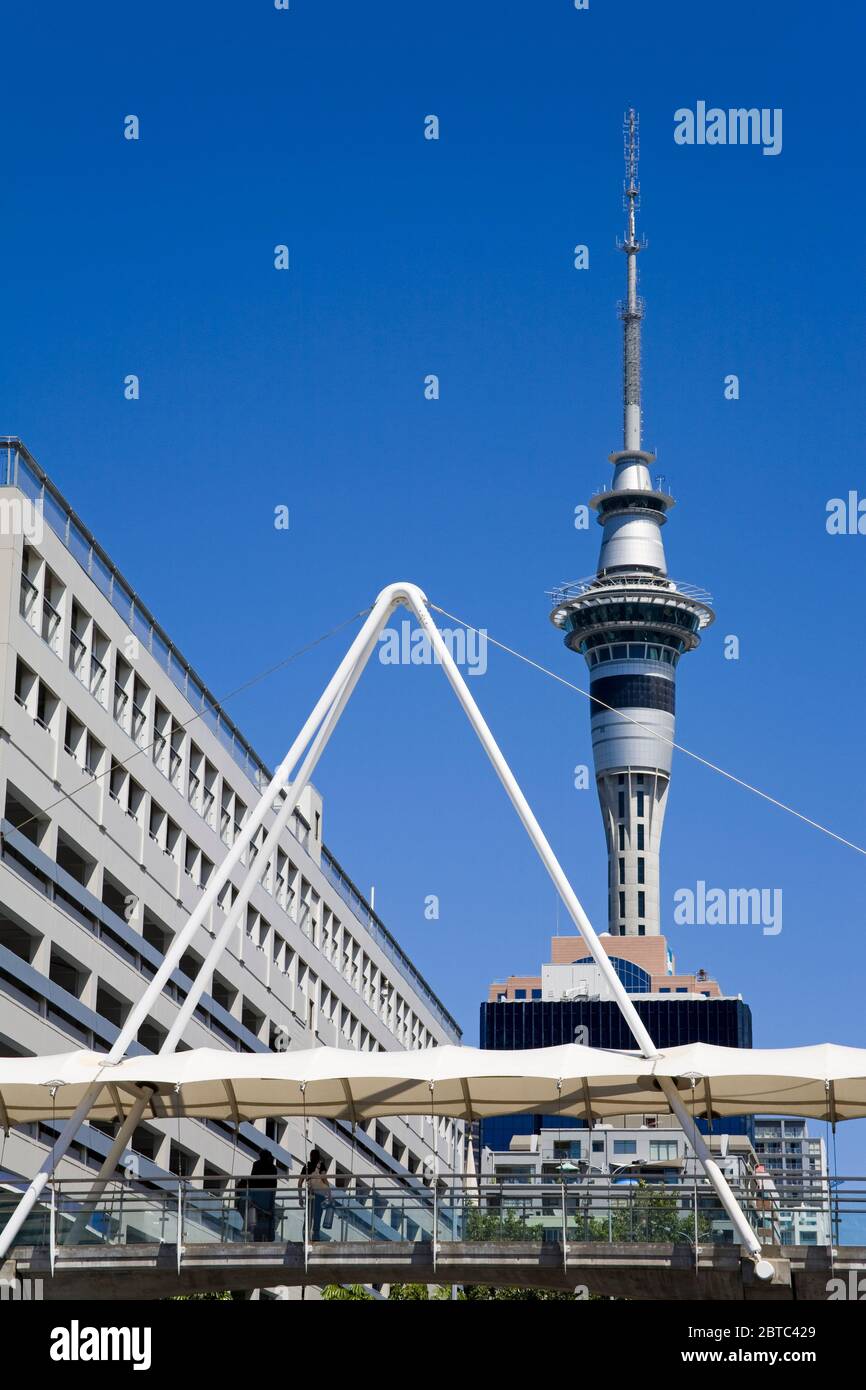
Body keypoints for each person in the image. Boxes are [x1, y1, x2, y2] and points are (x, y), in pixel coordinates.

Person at [297, 1148, 331, 1241]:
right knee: (317, 1217)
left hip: (310, 1194)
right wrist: (329, 1194)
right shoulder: (321, 1165)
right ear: (319, 1157)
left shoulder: (307, 1166)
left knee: (308, 1217)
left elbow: (300, 1183)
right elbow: (324, 1179)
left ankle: (305, 1239)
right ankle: (316, 1238)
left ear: (311, 1156)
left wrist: (300, 1198)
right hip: (320, 1195)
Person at [249, 1150, 278, 1242]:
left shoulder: (257, 1164)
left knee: (257, 1217)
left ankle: (256, 1236)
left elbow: (252, 1180)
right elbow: (274, 1185)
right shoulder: (272, 1168)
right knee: (266, 1216)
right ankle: (267, 1236)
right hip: (267, 1196)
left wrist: (251, 1195)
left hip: (258, 1195)